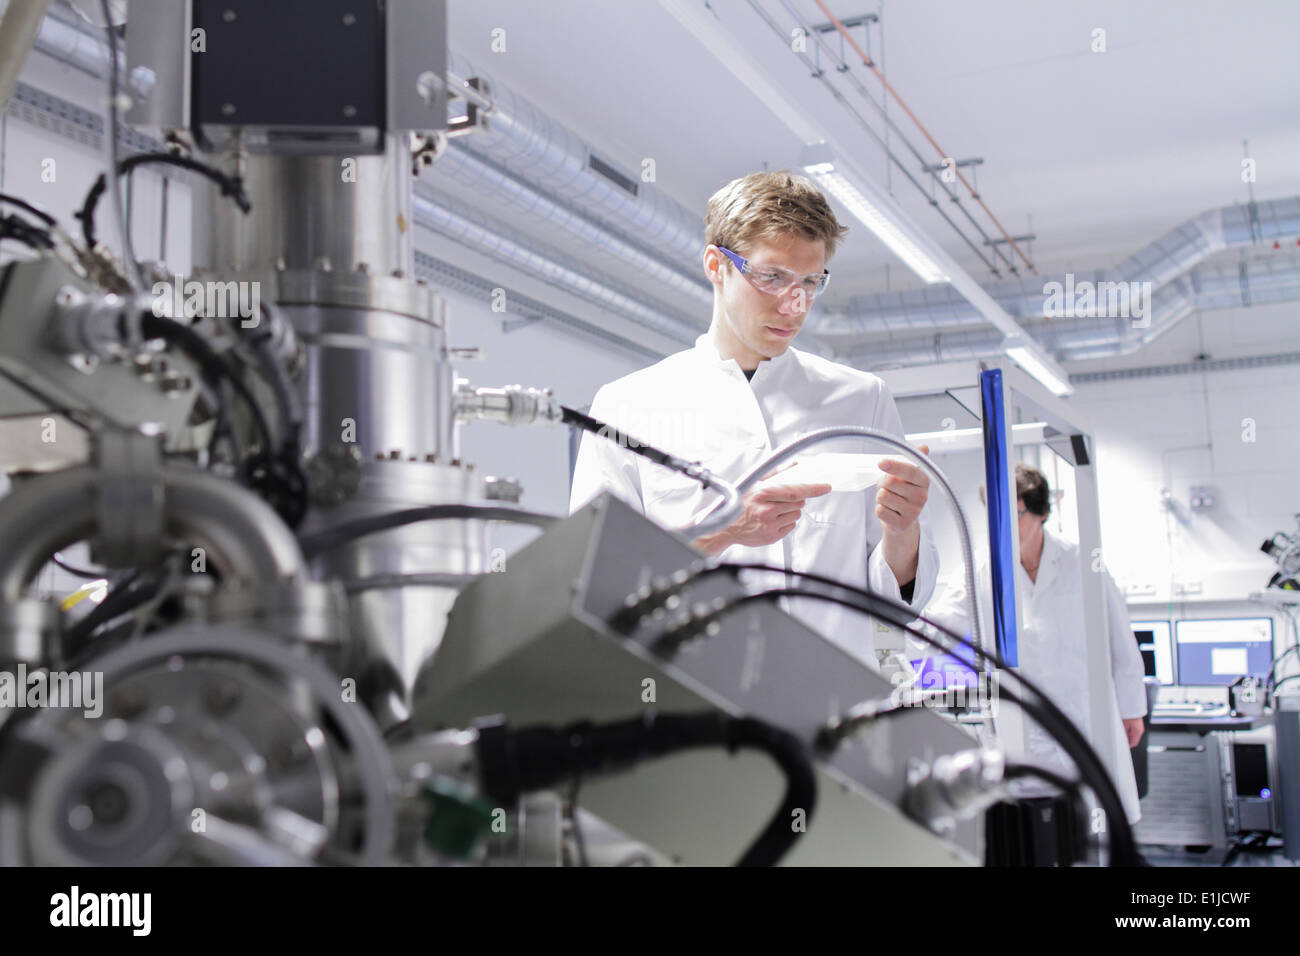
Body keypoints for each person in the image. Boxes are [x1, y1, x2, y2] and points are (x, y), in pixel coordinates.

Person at [568, 170, 939, 666]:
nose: (796, 304)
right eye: (772, 277)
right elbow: (597, 581)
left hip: (830, 707)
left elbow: (895, 598)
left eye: (811, 281)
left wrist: (903, 530)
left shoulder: (861, 400)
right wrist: (724, 532)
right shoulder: (627, 407)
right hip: (693, 710)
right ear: (716, 265)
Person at [926, 464, 1148, 824]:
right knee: (1036, 833)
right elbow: (938, 625)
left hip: (1088, 717)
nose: (1004, 525)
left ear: (1042, 512)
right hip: (1023, 726)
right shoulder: (982, 570)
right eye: (996, 514)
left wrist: (1132, 708)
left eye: (1015, 514)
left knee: (1099, 829)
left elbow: (1121, 640)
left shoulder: (1082, 563)